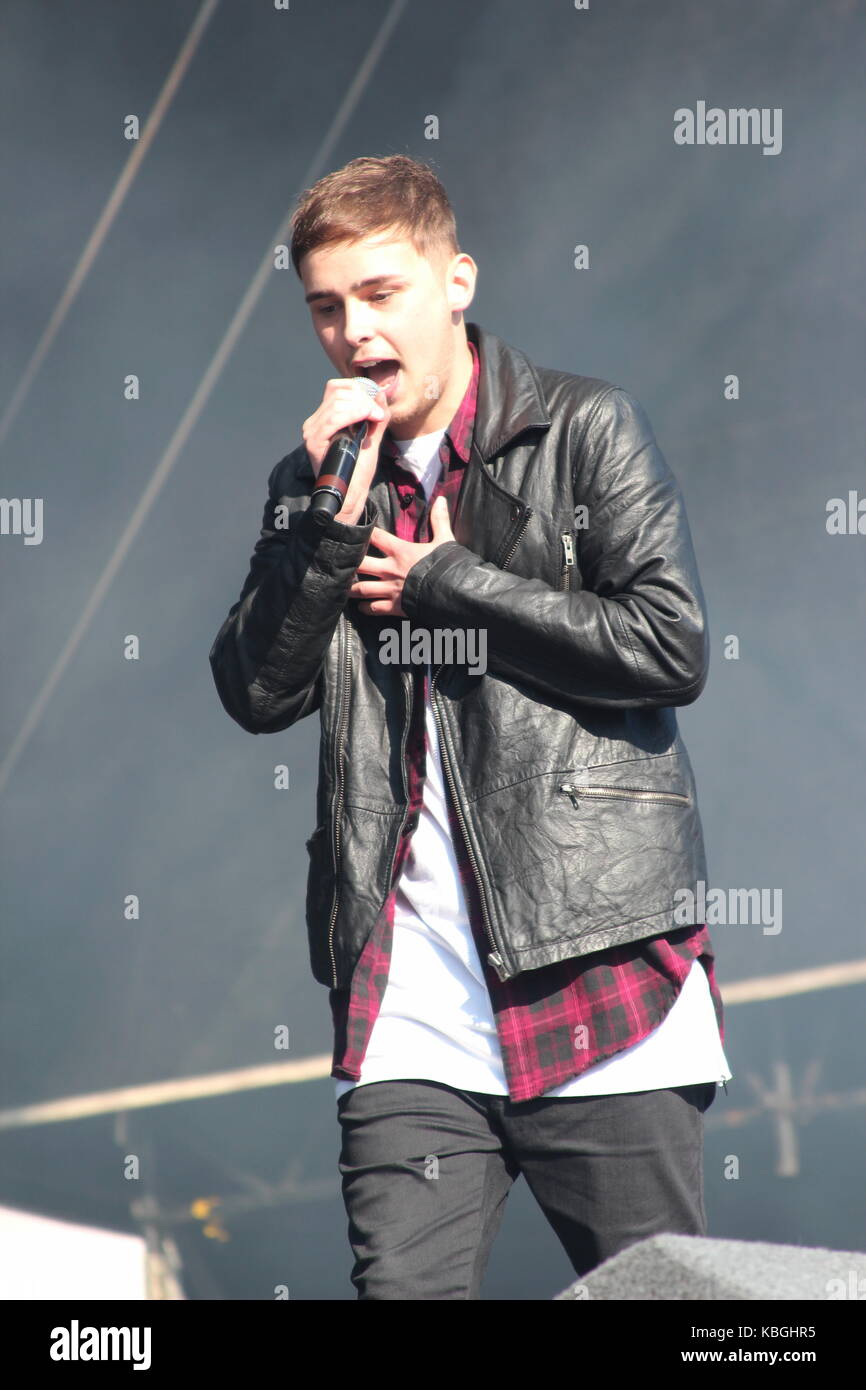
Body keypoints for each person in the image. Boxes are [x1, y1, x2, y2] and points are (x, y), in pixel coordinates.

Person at [209, 153, 732, 1300]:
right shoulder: (310, 484)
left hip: (598, 975)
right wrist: (321, 523)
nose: (353, 332)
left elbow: (666, 644)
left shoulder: (582, 428)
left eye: (380, 294)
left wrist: (454, 584)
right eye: (326, 308)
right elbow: (256, 690)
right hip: (410, 1011)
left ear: (455, 281)